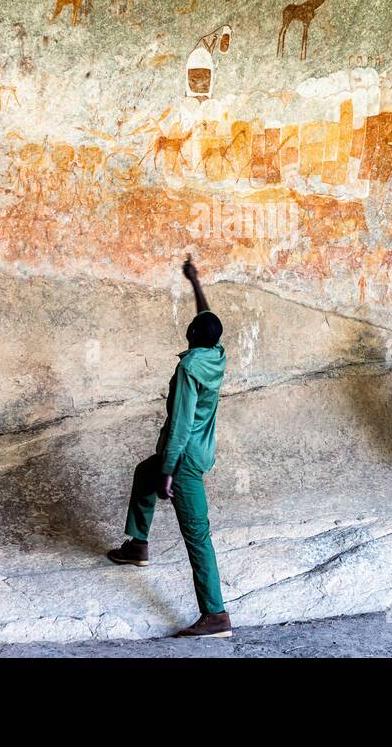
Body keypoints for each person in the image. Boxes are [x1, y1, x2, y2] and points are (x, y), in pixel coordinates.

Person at [106, 256, 232, 638]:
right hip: (198, 449)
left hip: (186, 458)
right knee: (143, 472)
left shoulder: (189, 368)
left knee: (196, 533)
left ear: (192, 336)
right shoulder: (216, 355)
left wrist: (169, 472)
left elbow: (179, 425)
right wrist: (195, 281)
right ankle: (138, 545)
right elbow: (208, 317)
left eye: (190, 329)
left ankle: (216, 615)